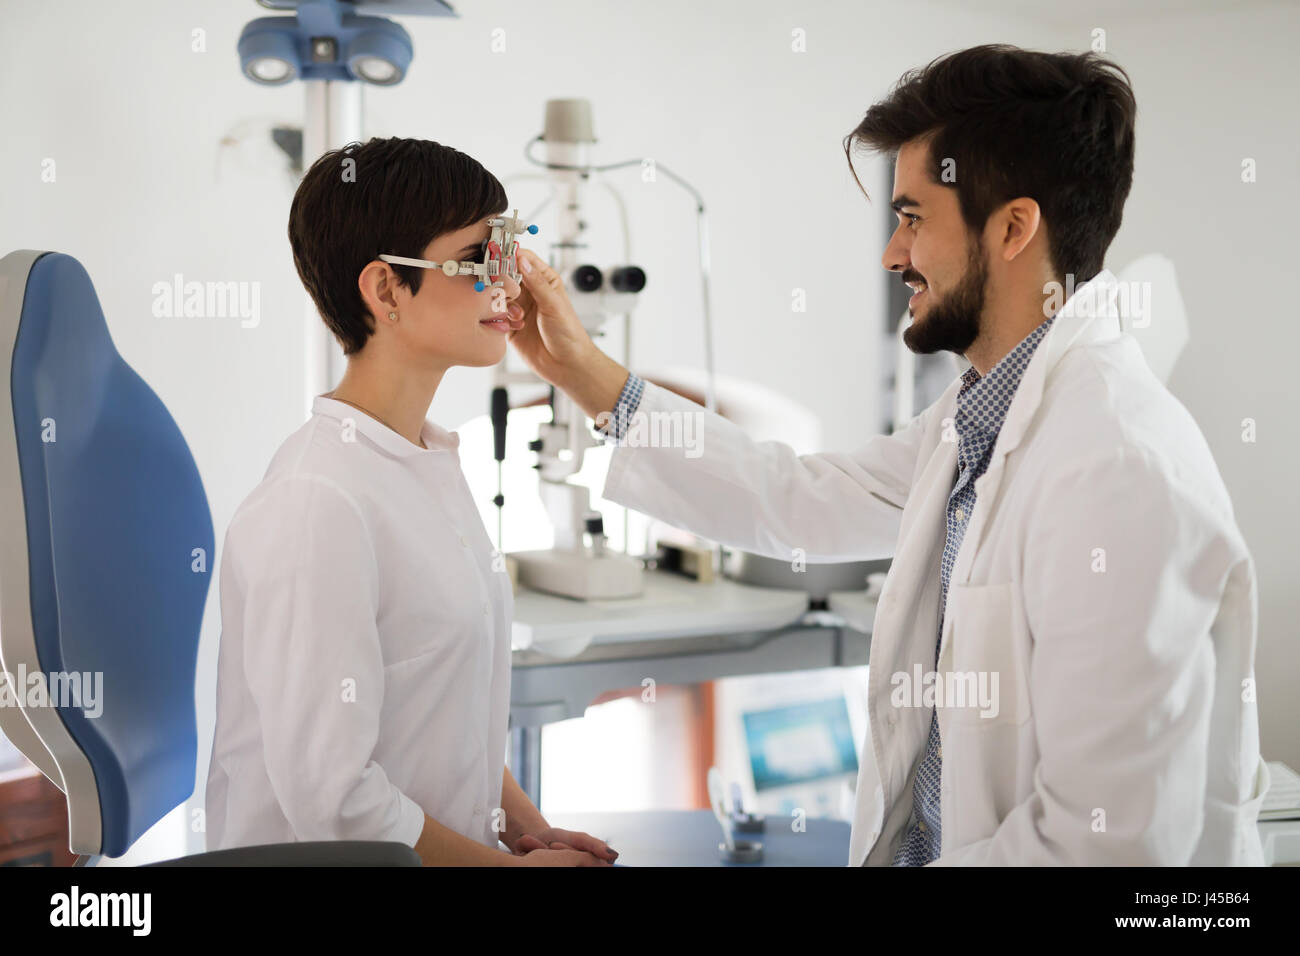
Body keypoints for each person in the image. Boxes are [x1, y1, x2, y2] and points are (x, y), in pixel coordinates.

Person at [504, 45, 1270, 866]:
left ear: (1013, 227)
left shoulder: (1119, 468)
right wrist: (584, 376)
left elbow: (1107, 846)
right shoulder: (984, 412)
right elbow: (798, 496)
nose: (891, 254)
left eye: (913, 219)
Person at [205, 137, 614, 866]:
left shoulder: (427, 459)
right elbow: (336, 802)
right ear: (386, 290)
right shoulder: (316, 503)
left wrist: (527, 828)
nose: (511, 285)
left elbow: (446, 715)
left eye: (511, 251)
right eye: (482, 259)